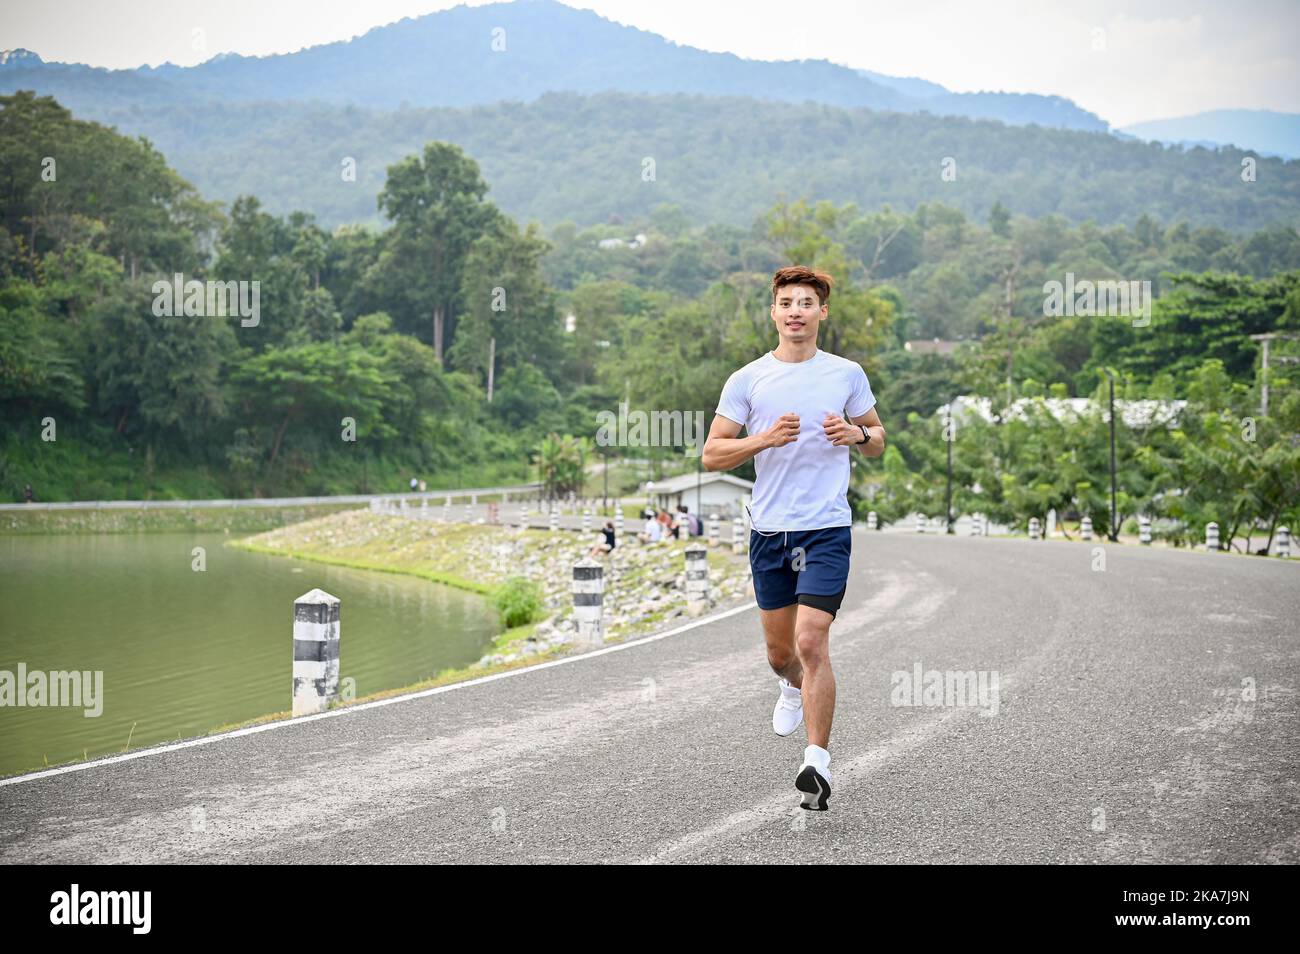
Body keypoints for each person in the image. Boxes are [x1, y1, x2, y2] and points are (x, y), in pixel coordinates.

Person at [702, 265, 886, 812]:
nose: (796, 311)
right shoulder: (748, 379)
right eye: (787, 302)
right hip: (770, 532)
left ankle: (817, 762)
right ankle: (789, 685)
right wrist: (762, 439)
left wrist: (856, 434)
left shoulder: (847, 374)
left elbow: (877, 439)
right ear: (774, 312)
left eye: (807, 302)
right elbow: (712, 454)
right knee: (781, 655)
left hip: (826, 527)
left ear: (822, 312)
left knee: (812, 642)